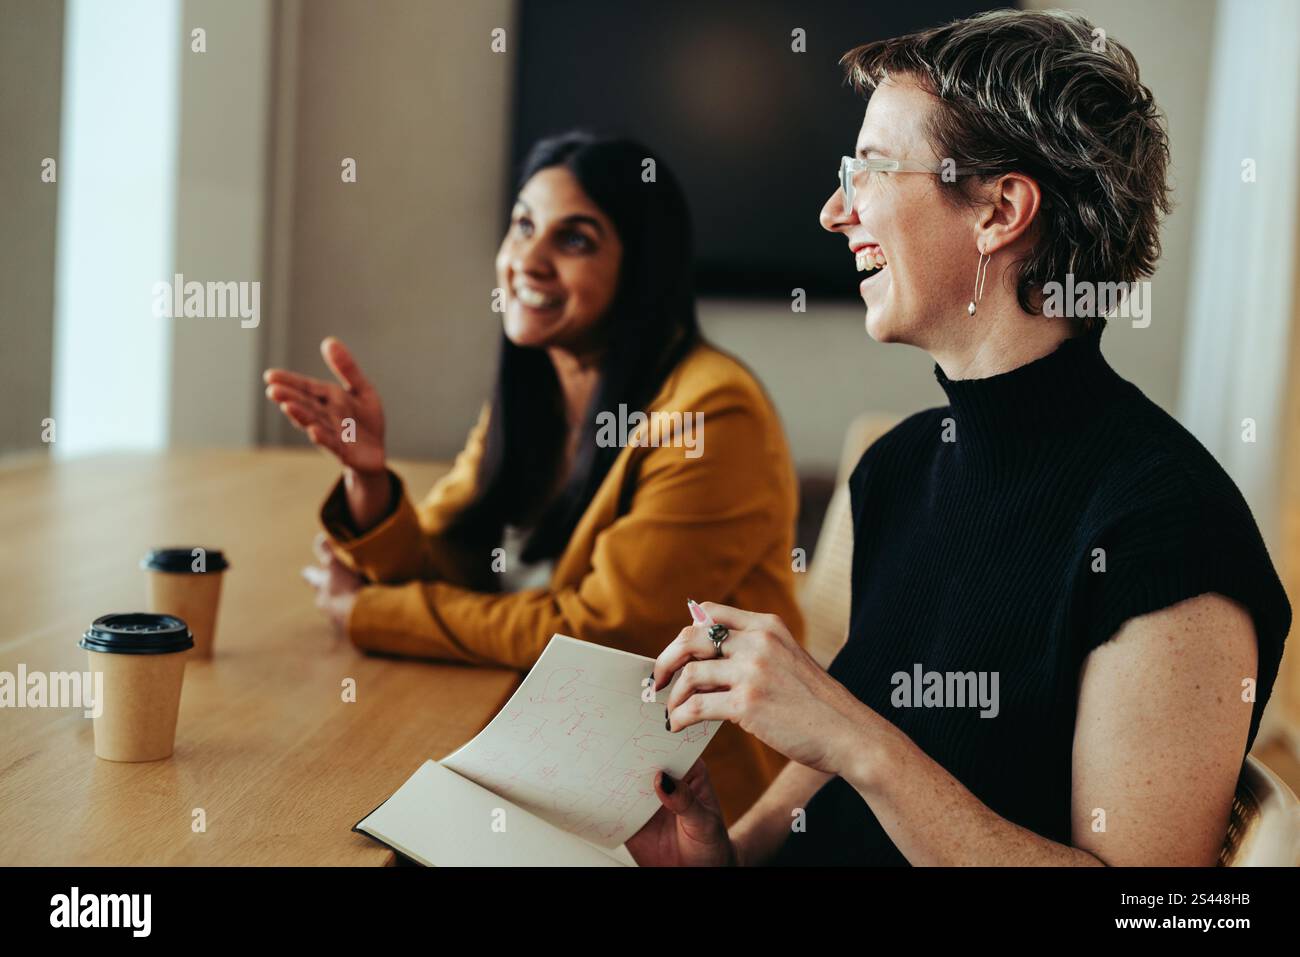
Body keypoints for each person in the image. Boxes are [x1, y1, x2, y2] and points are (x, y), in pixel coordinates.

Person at [628, 10, 1292, 866]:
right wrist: (727, 852)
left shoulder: (1168, 529)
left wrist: (856, 736)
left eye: (869, 171)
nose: (835, 212)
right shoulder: (899, 468)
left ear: (1001, 210)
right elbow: (838, 759)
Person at [263, 132, 804, 823]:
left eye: (573, 240)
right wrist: (370, 480)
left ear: (640, 265)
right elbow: (449, 558)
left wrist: (369, 612)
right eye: (522, 225)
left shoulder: (710, 413)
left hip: (672, 808)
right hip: (544, 742)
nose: (528, 260)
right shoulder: (540, 387)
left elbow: (599, 631)